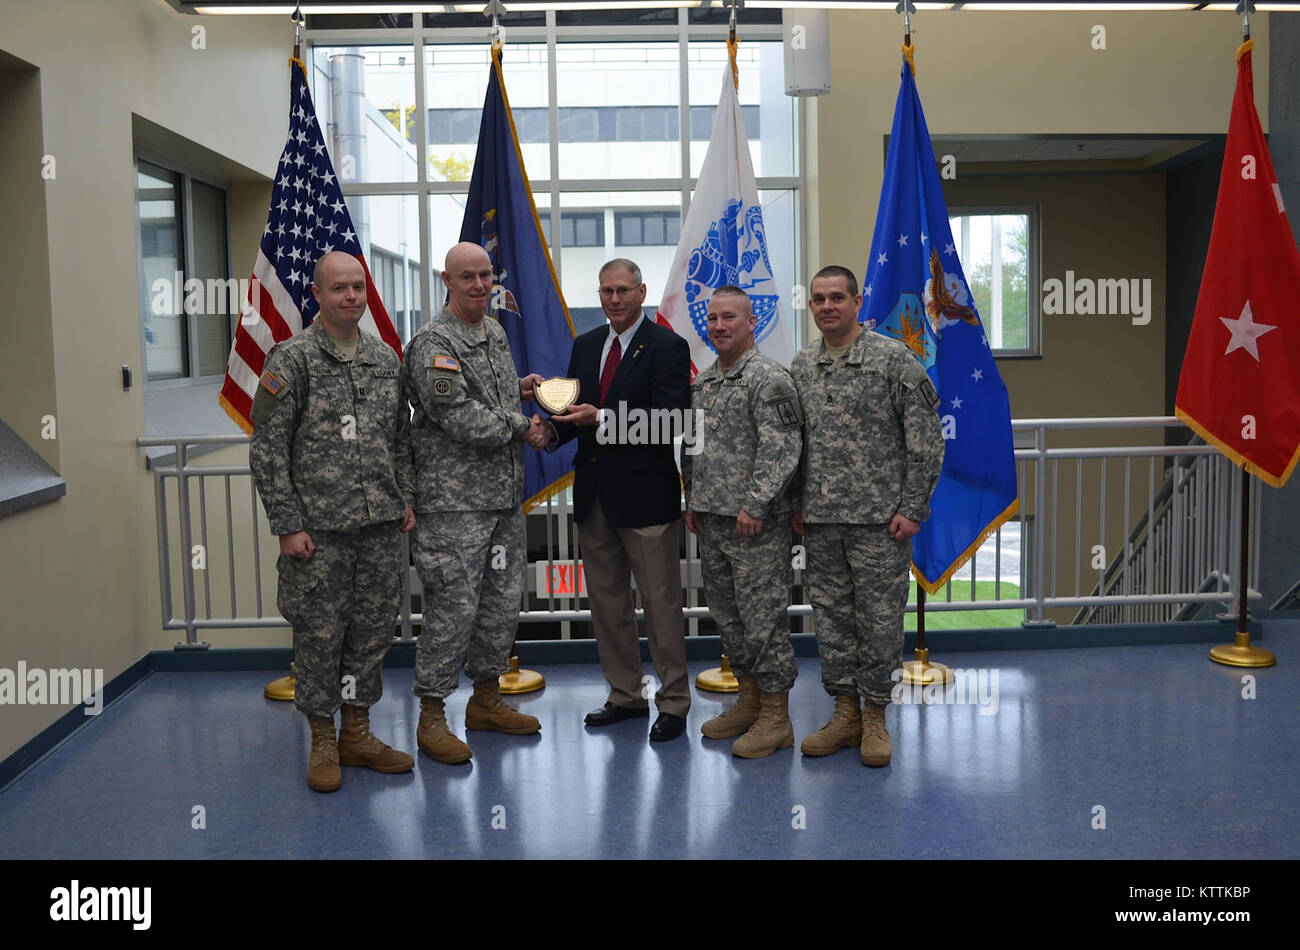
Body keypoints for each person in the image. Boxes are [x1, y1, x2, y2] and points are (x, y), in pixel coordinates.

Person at [250, 250, 418, 793]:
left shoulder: (383, 357)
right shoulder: (291, 359)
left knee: (370, 636)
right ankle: (323, 740)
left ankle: (358, 733)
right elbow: (268, 449)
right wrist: (286, 524)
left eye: (358, 287)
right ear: (318, 294)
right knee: (320, 638)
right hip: (318, 533)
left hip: (378, 528)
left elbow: (400, 438)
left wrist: (405, 497)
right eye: (339, 288)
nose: (351, 297)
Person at [790, 265, 944, 767]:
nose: (828, 306)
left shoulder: (891, 359)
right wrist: (795, 505)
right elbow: (791, 445)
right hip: (820, 521)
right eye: (819, 299)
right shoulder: (801, 365)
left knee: (878, 624)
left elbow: (926, 439)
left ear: (857, 303)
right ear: (810, 305)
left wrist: (913, 508)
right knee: (832, 623)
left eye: (838, 297)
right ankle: (844, 713)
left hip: (881, 522)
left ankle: (875, 717)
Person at [402, 241, 550, 764]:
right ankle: (432, 714)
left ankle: (486, 701)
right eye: (468, 277)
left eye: (487, 275)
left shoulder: (494, 332)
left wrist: (522, 390)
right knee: (453, 610)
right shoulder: (433, 343)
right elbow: (458, 416)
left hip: (503, 500)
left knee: (500, 605)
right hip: (453, 507)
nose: (481, 285)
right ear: (447, 280)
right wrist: (521, 425)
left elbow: (494, 397)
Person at [543, 258, 692, 742]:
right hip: (594, 498)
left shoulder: (668, 346)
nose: (614, 299)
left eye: (623, 290)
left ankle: (672, 703)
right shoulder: (586, 346)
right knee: (608, 606)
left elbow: (670, 421)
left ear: (642, 292)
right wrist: (546, 434)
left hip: (647, 500)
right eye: (606, 291)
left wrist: (602, 419)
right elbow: (573, 415)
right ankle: (625, 696)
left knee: (661, 606)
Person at [682, 286, 803, 758]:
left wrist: (755, 504)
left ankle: (777, 716)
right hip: (711, 520)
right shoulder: (705, 382)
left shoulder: (768, 379)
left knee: (763, 619)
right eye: (712, 319)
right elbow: (692, 445)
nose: (718, 326)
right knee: (729, 618)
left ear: (751, 323)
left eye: (728, 317)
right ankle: (749, 699)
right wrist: (691, 496)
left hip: (754, 524)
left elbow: (782, 448)